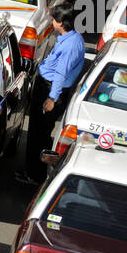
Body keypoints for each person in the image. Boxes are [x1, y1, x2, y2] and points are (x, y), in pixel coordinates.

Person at [16, 19, 85, 184]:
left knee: (39, 133)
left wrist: (51, 98)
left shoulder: (69, 46)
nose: (51, 22)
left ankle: (34, 174)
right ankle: (34, 171)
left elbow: (60, 74)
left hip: (50, 89)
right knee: (41, 132)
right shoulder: (73, 38)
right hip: (50, 87)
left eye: (53, 20)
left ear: (61, 22)